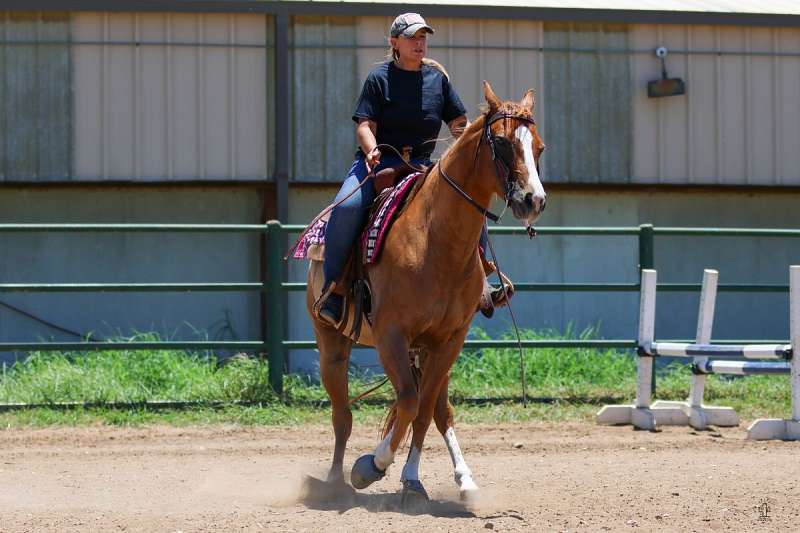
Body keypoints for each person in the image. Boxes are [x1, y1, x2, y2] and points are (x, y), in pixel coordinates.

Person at [318, 12, 488, 326]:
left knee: (469, 199)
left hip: (423, 167)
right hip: (380, 163)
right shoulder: (379, 78)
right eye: (412, 37)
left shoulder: (438, 81)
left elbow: (458, 123)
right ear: (394, 43)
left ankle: (483, 280)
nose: (419, 42)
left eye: (423, 37)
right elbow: (365, 125)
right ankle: (334, 289)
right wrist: (371, 151)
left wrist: (465, 147)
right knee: (348, 206)